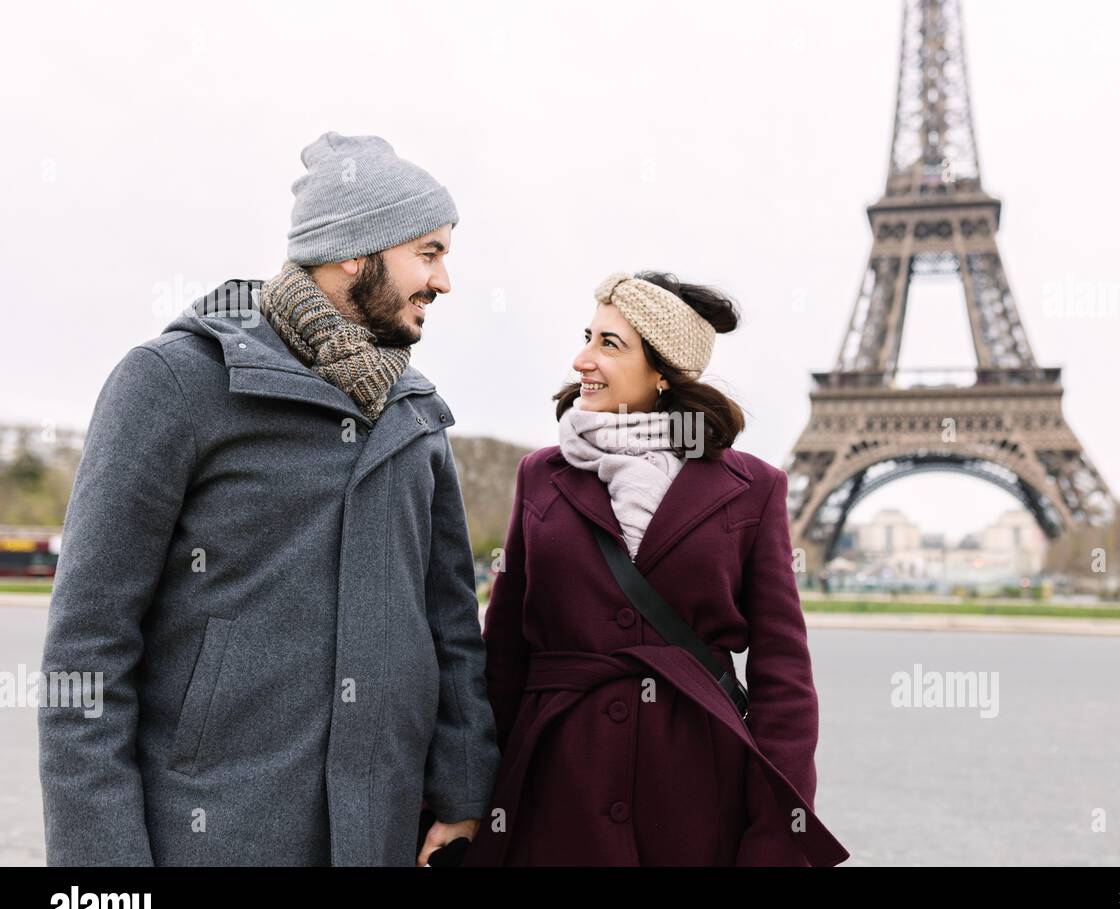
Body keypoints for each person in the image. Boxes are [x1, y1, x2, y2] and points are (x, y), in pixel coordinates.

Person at [37, 132, 499, 866]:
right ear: (357, 249)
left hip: (380, 838)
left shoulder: (416, 415)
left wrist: (464, 791)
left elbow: (448, 627)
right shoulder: (175, 383)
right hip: (214, 836)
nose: (445, 281)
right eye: (430, 252)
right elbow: (86, 652)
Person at [461, 271, 849, 866]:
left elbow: (784, 676)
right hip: (553, 785)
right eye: (586, 336)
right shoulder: (540, 475)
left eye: (609, 344)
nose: (581, 359)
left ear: (663, 370)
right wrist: (471, 801)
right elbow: (504, 655)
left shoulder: (755, 489)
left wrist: (778, 837)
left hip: (700, 792)